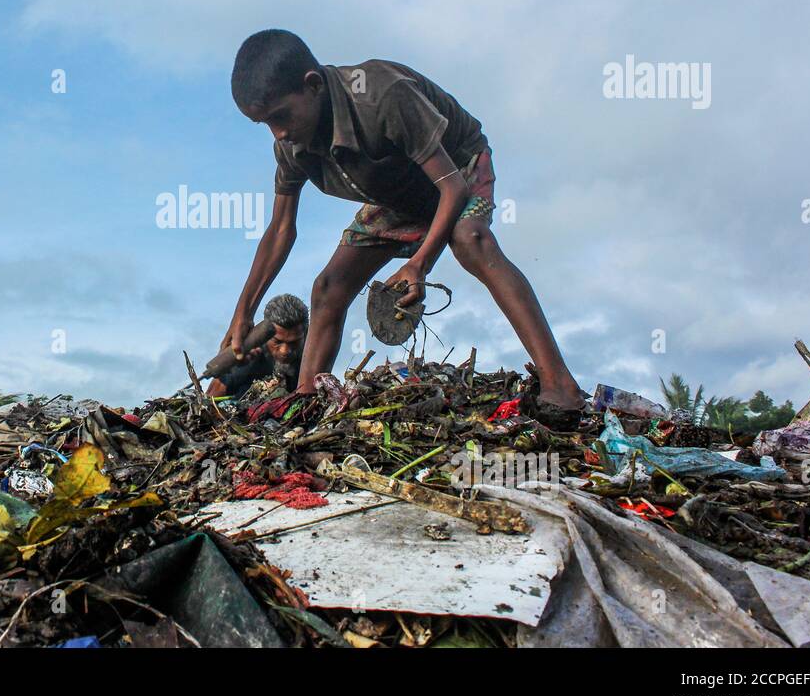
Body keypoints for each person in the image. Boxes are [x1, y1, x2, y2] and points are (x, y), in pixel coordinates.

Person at [221, 29, 585, 421]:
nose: (278, 132)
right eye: (265, 124)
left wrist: (419, 264)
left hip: (456, 169)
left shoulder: (381, 95)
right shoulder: (291, 146)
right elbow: (280, 230)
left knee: (470, 239)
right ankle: (307, 403)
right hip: (397, 196)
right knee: (328, 286)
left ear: (312, 86)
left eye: (280, 117)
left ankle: (559, 383)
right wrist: (244, 311)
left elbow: (451, 187)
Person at [207, 293, 308, 397]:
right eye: (277, 342)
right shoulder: (250, 354)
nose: (284, 351)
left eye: (294, 342)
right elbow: (213, 395)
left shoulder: (315, 350)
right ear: (266, 335)